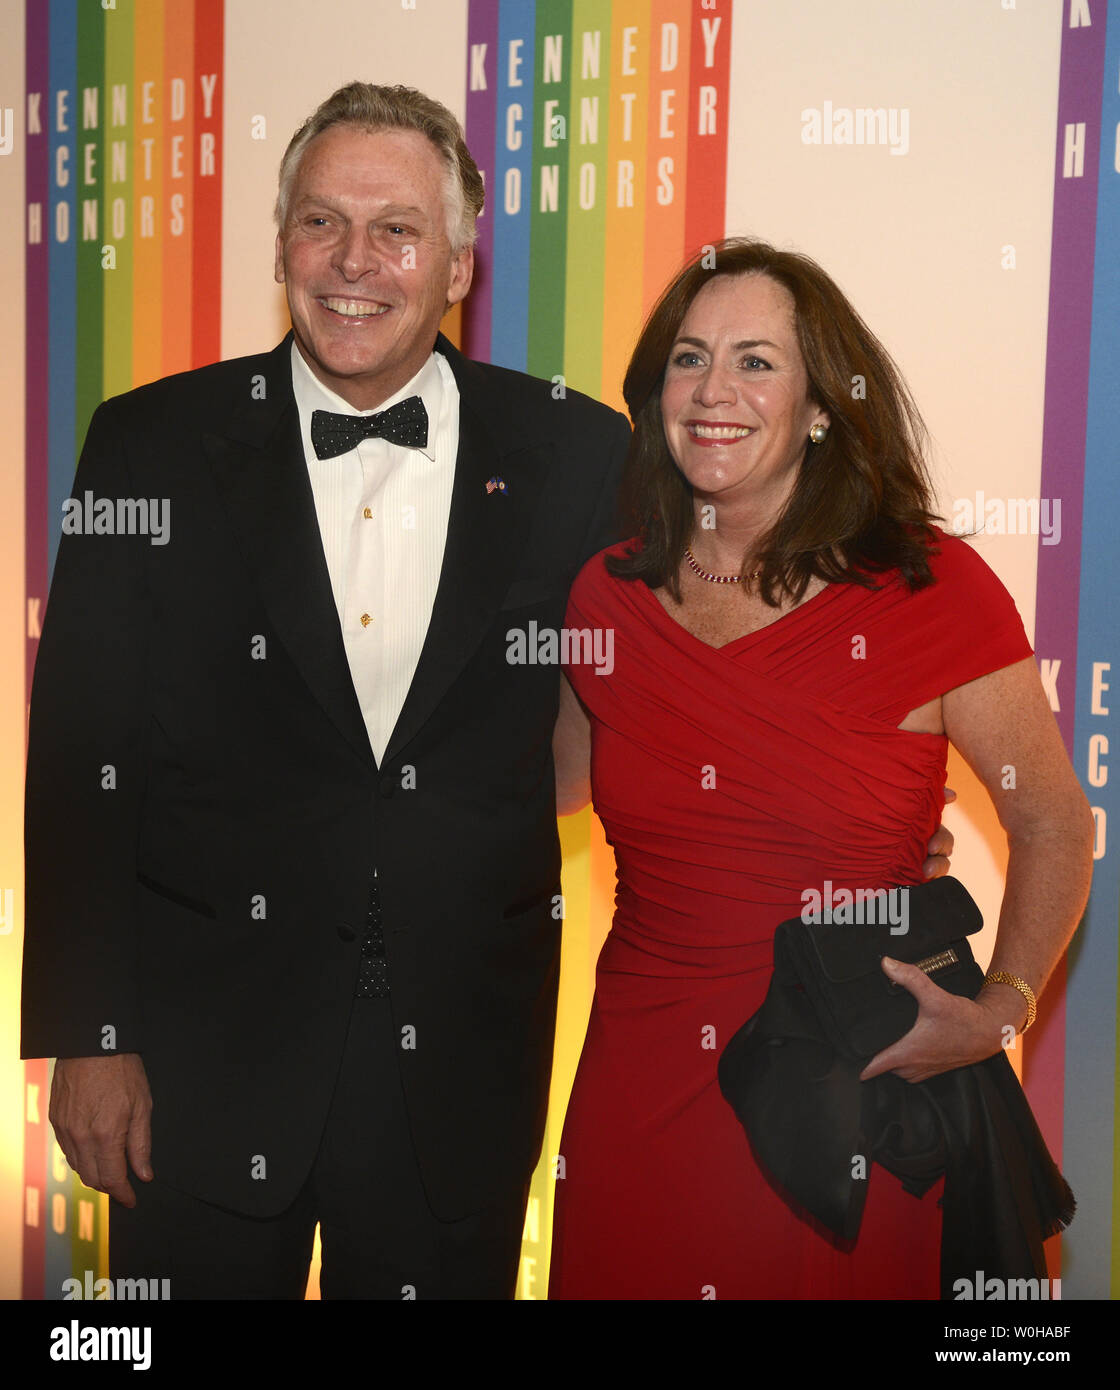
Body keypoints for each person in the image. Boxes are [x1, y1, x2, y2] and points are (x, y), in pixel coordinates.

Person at [20, 82, 633, 1300]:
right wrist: (91, 1035)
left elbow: (670, 678)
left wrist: (846, 813)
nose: (353, 262)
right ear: (281, 241)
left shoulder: (579, 452)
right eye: (319, 222)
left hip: (457, 1062)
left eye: (396, 230)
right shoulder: (150, 442)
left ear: (458, 260)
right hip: (195, 1065)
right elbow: (81, 747)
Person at [547, 238, 1093, 1300]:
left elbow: (1055, 824)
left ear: (819, 406)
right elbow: (543, 790)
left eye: (756, 361)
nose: (714, 391)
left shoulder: (930, 590)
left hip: (852, 1086)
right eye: (689, 358)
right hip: (639, 1083)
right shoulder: (603, 599)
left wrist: (1001, 1006)